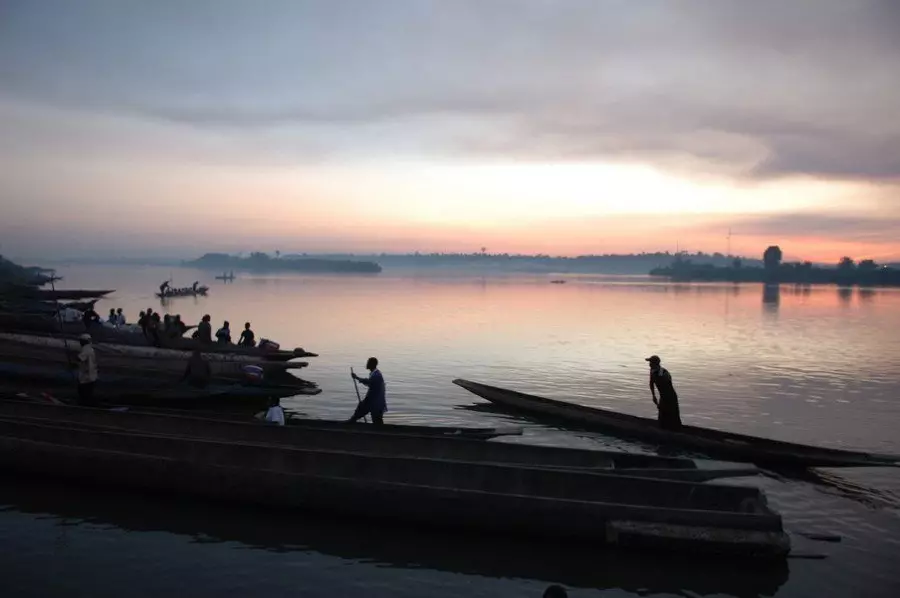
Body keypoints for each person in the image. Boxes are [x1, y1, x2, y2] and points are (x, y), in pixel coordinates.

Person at [646, 355, 682, 431]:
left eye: (650, 363)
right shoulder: (653, 371)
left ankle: (673, 432)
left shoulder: (662, 373)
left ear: (655, 364)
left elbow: (665, 387)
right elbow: (651, 383)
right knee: (662, 417)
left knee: (672, 416)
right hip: (663, 396)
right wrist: (653, 396)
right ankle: (665, 429)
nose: (649, 364)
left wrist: (662, 403)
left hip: (670, 396)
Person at [349, 357, 387, 425]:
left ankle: (351, 422)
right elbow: (370, 383)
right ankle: (352, 420)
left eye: (368, 363)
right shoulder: (374, 373)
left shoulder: (376, 374)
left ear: (372, 364)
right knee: (362, 408)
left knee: (377, 421)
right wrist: (357, 378)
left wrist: (357, 377)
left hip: (375, 402)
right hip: (373, 400)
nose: (367, 364)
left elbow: (369, 382)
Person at [75, 333, 98, 406]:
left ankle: (85, 405)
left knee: (84, 392)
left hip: (86, 376)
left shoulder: (86, 349)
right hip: (91, 375)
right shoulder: (91, 349)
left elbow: (80, 358)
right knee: (88, 393)